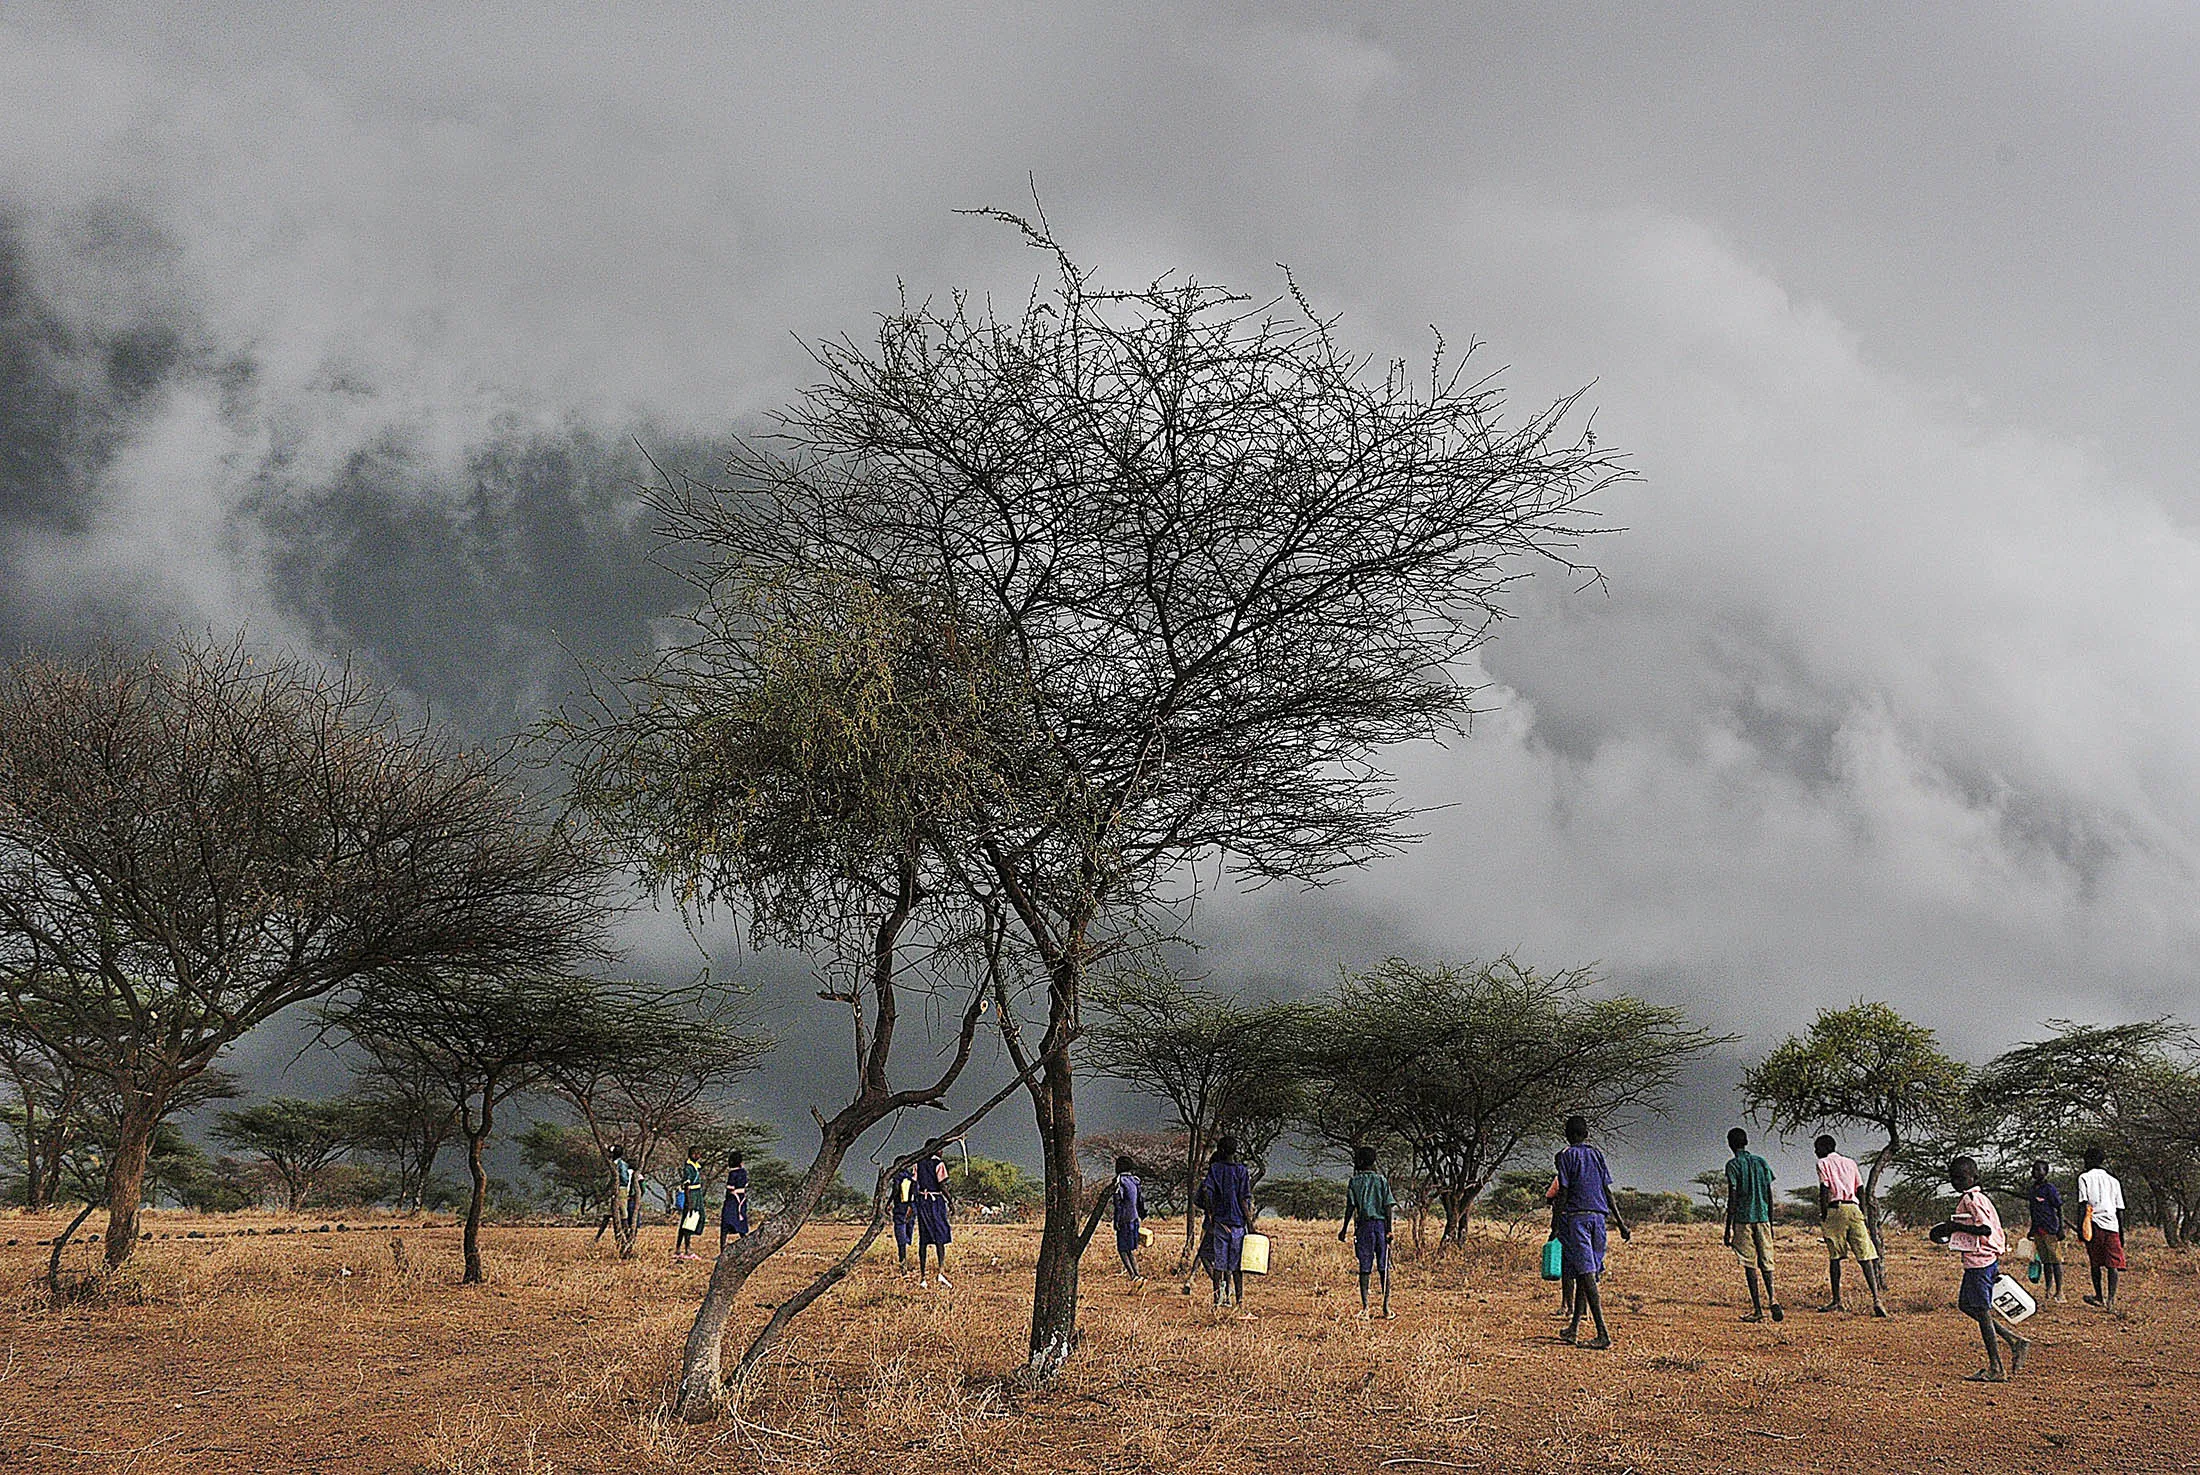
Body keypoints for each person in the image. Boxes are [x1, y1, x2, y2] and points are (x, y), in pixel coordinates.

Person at [1931, 1154, 2029, 1382]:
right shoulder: (1979, 1198)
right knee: (1967, 1305)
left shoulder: (1972, 1200)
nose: (1956, 1182)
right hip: (1982, 1259)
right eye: (1953, 1178)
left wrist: (1954, 1227)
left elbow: (1984, 1229)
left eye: (1961, 1178)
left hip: (1980, 1261)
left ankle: (1997, 1366)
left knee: (1980, 1310)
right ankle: (2013, 1340)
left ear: (1974, 1177)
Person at [1549, 1115, 1630, 1350]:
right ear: (1586, 1134)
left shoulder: (1566, 1155)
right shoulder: (1596, 1154)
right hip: (1599, 1219)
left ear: (1567, 1134)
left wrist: (1555, 1226)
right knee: (1587, 1272)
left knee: (1586, 1275)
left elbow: (1563, 1192)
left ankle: (1602, 1333)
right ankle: (1573, 1328)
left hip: (1578, 1219)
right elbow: (1607, 1191)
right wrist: (1621, 1223)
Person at [1813, 1134, 1887, 1317]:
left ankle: (1837, 1300)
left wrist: (1823, 1213)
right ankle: (1877, 1299)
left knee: (1835, 1256)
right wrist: (1862, 1211)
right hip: (1854, 1209)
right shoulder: (1850, 1162)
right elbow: (1860, 1189)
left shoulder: (1823, 1163)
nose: (1815, 1152)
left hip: (1836, 1209)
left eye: (1817, 1148)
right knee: (1865, 1256)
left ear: (1823, 1147)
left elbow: (1824, 1188)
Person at [1723, 1127, 1783, 1323]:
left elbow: (1733, 1197)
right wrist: (1770, 1221)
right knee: (1766, 1261)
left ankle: (1758, 1309)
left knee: (1749, 1264)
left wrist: (1728, 1228)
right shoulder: (1761, 1162)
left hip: (1743, 1219)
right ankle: (1773, 1298)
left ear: (1730, 1144)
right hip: (1763, 1217)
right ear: (1746, 1141)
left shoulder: (1733, 1165)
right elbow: (1768, 1194)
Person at [1197, 1135, 1255, 1309]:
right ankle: (1239, 1301)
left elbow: (1207, 1191)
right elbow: (1244, 1198)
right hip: (1238, 1223)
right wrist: (1250, 1222)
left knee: (1219, 1265)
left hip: (1220, 1222)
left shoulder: (1215, 1169)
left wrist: (1211, 1212)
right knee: (1237, 1266)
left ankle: (1218, 1300)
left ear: (1220, 1151)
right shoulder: (1242, 1170)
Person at [1338, 1145, 1396, 1319]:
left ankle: (1365, 1308)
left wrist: (1344, 1229)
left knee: (1365, 1267)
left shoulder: (1354, 1182)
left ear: (1360, 1161)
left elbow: (1350, 1207)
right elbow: (1388, 1207)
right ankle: (1386, 1308)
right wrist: (1389, 1230)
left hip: (1363, 1227)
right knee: (1383, 1266)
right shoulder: (1381, 1180)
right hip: (1380, 1226)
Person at [2077, 1145, 2126, 1311]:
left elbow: (2083, 1205)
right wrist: (2122, 1232)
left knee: (2095, 1263)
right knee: (2113, 1264)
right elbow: (2120, 1209)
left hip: (2094, 1224)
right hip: (2112, 1225)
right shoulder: (2114, 1181)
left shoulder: (2084, 1178)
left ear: (2089, 1160)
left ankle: (2099, 1296)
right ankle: (2111, 1300)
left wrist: (2080, 1228)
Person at [2026, 1159, 2065, 1303]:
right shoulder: (2033, 1189)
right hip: (2038, 1229)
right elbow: (2033, 1210)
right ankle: (2048, 1289)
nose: (2035, 1172)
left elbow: (2059, 1208)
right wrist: (2031, 1229)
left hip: (2050, 1228)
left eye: (2038, 1170)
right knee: (2046, 1261)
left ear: (2045, 1172)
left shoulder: (2049, 1189)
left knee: (2056, 1260)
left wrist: (2060, 1228)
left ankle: (2059, 1291)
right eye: (2034, 1170)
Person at [914, 1147, 953, 1287]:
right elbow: (941, 1185)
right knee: (940, 1235)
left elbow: (915, 1183)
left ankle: (923, 1276)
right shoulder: (939, 1164)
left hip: (922, 1202)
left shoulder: (918, 1163)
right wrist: (951, 1200)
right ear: (935, 1149)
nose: (942, 1151)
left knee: (924, 1238)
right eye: (940, 1149)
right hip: (935, 1201)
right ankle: (940, 1272)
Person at [1111, 1155, 1146, 1280]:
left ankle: (1133, 1276)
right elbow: (1140, 1201)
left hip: (1124, 1219)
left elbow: (1118, 1203)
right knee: (1129, 1249)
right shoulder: (1135, 1180)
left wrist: (1116, 1220)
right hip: (1135, 1218)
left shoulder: (1119, 1181)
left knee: (1122, 1249)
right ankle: (1137, 1275)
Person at [1547, 1173, 1575, 1321]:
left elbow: (1549, 1195)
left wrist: (1555, 1229)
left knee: (1566, 1269)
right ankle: (1578, 1309)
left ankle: (1568, 1307)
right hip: (1582, 1225)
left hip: (1564, 1225)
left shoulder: (1561, 1177)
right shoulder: (1586, 1178)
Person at [594, 1146, 634, 1246]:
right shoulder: (614, 1164)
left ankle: (628, 1238)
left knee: (623, 1214)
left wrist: (616, 1185)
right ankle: (597, 1238)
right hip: (615, 1191)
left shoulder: (621, 1165)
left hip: (620, 1191)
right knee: (608, 1215)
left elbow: (624, 1179)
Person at [673, 1147, 705, 1262]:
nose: (697, 1156)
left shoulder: (695, 1166)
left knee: (687, 1222)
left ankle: (679, 1248)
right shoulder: (688, 1168)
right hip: (691, 1195)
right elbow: (686, 1185)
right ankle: (686, 1248)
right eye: (695, 1154)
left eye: (698, 1153)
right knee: (688, 1223)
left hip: (697, 1194)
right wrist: (689, 1201)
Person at [718, 1150, 750, 1252]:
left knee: (725, 1224)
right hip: (742, 1198)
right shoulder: (743, 1172)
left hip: (732, 1200)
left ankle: (722, 1250)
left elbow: (730, 1188)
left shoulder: (733, 1174)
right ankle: (746, 1245)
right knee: (741, 1220)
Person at [890, 1162, 918, 1268]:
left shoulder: (899, 1177)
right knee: (906, 1231)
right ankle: (903, 1260)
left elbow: (896, 1190)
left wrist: (889, 1202)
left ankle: (903, 1261)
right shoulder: (912, 1178)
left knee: (900, 1234)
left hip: (901, 1208)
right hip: (911, 1207)